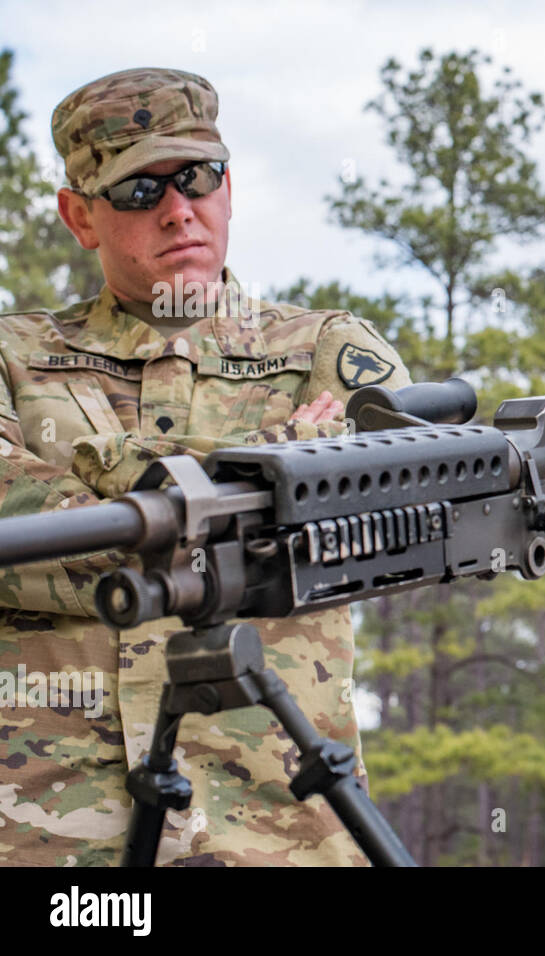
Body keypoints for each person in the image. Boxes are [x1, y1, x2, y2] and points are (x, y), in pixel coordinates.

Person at [0, 68, 411, 865]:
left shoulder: (326, 349)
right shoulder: (14, 357)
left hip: (278, 827)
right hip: (50, 837)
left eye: (198, 177)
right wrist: (255, 484)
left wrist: (114, 495)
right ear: (79, 216)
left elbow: (379, 520)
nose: (178, 208)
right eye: (138, 190)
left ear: (230, 187)